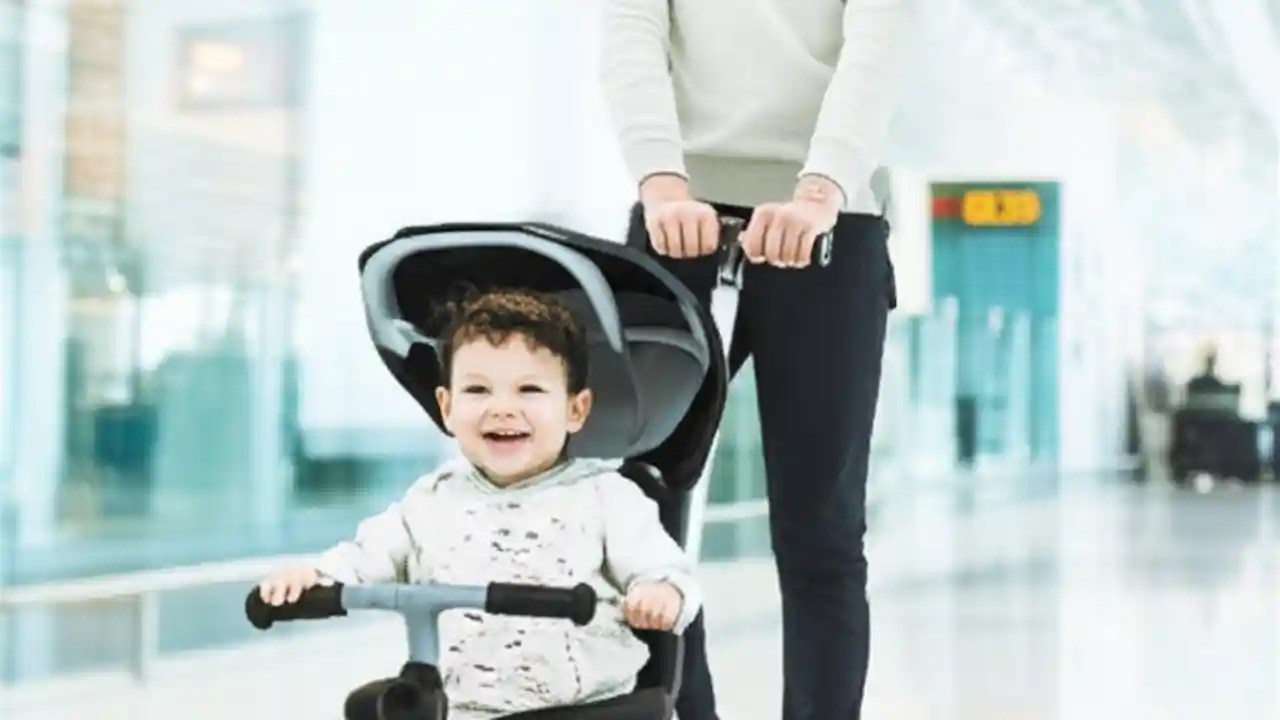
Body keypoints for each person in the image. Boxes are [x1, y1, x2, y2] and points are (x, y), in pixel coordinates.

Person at [598, 1, 911, 718]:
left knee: (821, 531)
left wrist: (822, 187)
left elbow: (877, 53)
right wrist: (660, 181)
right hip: (681, 219)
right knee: (643, 515)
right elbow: (630, 35)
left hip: (828, 226)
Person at [258, 289, 703, 719]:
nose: (502, 408)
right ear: (446, 407)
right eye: (478, 390)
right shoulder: (431, 499)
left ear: (576, 409)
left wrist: (660, 593)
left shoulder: (606, 497)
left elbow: (666, 570)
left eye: (529, 389)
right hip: (460, 708)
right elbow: (364, 558)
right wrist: (315, 577)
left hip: (585, 711)